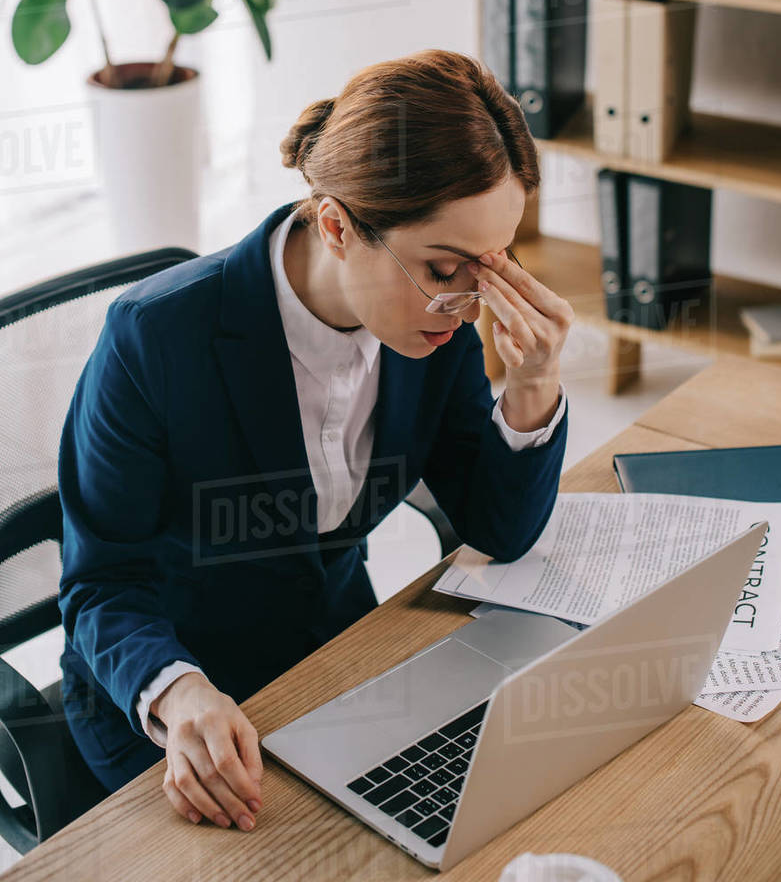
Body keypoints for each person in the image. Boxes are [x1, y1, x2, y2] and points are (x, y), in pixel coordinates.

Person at [57, 48, 573, 833]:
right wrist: (178, 691)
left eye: (491, 267)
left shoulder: (433, 326)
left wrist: (532, 385)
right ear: (336, 225)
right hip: (171, 709)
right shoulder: (157, 337)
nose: (469, 305)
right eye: (444, 267)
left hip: (331, 662)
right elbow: (101, 583)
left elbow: (498, 529)